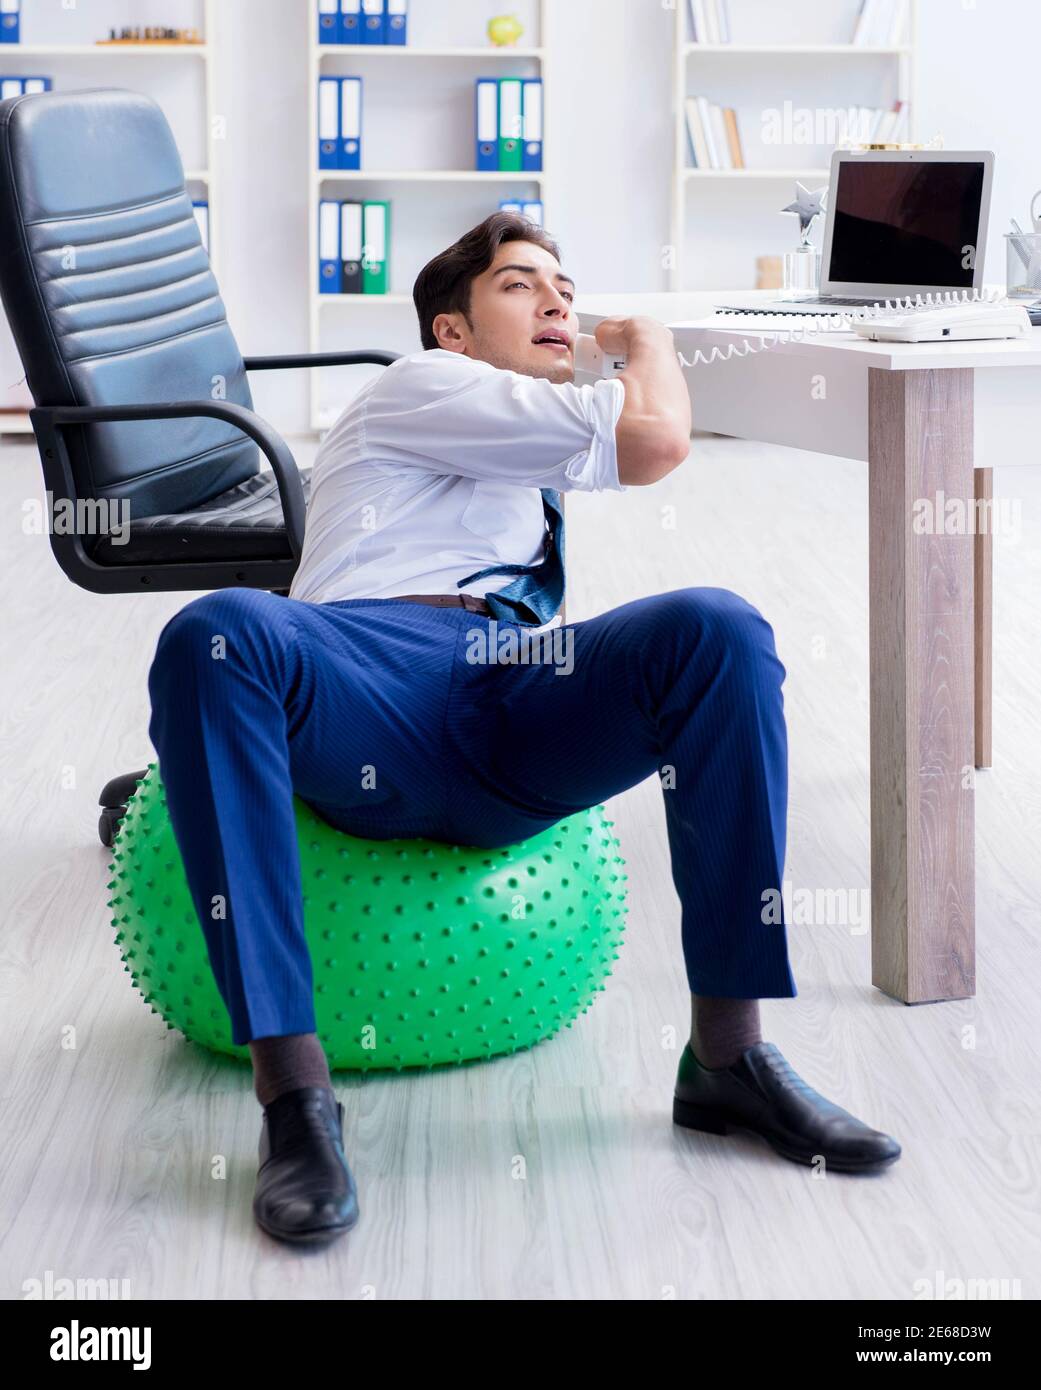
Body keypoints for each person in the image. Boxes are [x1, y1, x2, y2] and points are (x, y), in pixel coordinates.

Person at [146, 212, 901, 1248]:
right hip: (365, 677)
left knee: (717, 631)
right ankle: (295, 1100)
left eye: (564, 287)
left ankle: (729, 1057)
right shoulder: (425, 382)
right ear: (451, 330)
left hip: (507, 688)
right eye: (519, 284)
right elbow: (655, 439)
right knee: (219, 631)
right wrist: (646, 341)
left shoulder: (523, 433)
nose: (556, 301)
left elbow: (627, 443)